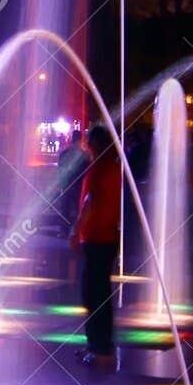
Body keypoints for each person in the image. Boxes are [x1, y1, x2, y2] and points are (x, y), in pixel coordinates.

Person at [71, 125, 121, 364]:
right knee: (100, 294)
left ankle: (99, 347)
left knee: (93, 294)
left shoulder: (99, 168)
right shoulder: (114, 167)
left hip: (96, 238)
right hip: (108, 237)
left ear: (96, 144)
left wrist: (76, 231)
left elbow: (89, 202)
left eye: (89, 142)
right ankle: (98, 345)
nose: (86, 147)